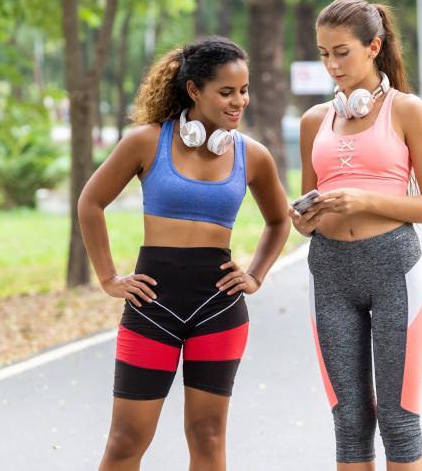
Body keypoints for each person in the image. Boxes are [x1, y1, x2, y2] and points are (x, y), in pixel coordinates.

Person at [78, 36, 291, 470]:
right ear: (194, 90)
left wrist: (255, 274)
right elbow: (90, 202)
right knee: (125, 439)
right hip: (152, 304)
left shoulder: (253, 156)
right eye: (226, 92)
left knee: (208, 437)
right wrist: (108, 277)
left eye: (244, 90)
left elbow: (278, 219)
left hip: (218, 308)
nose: (239, 102)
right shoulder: (146, 142)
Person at [292, 0, 422, 470]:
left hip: (394, 269)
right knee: (349, 422)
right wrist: (304, 220)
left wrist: (366, 200)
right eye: (323, 53)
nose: (332, 64)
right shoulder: (314, 121)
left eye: (342, 51)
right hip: (331, 273)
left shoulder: (407, 111)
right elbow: (307, 206)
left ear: (373, 46)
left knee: (399, 419)